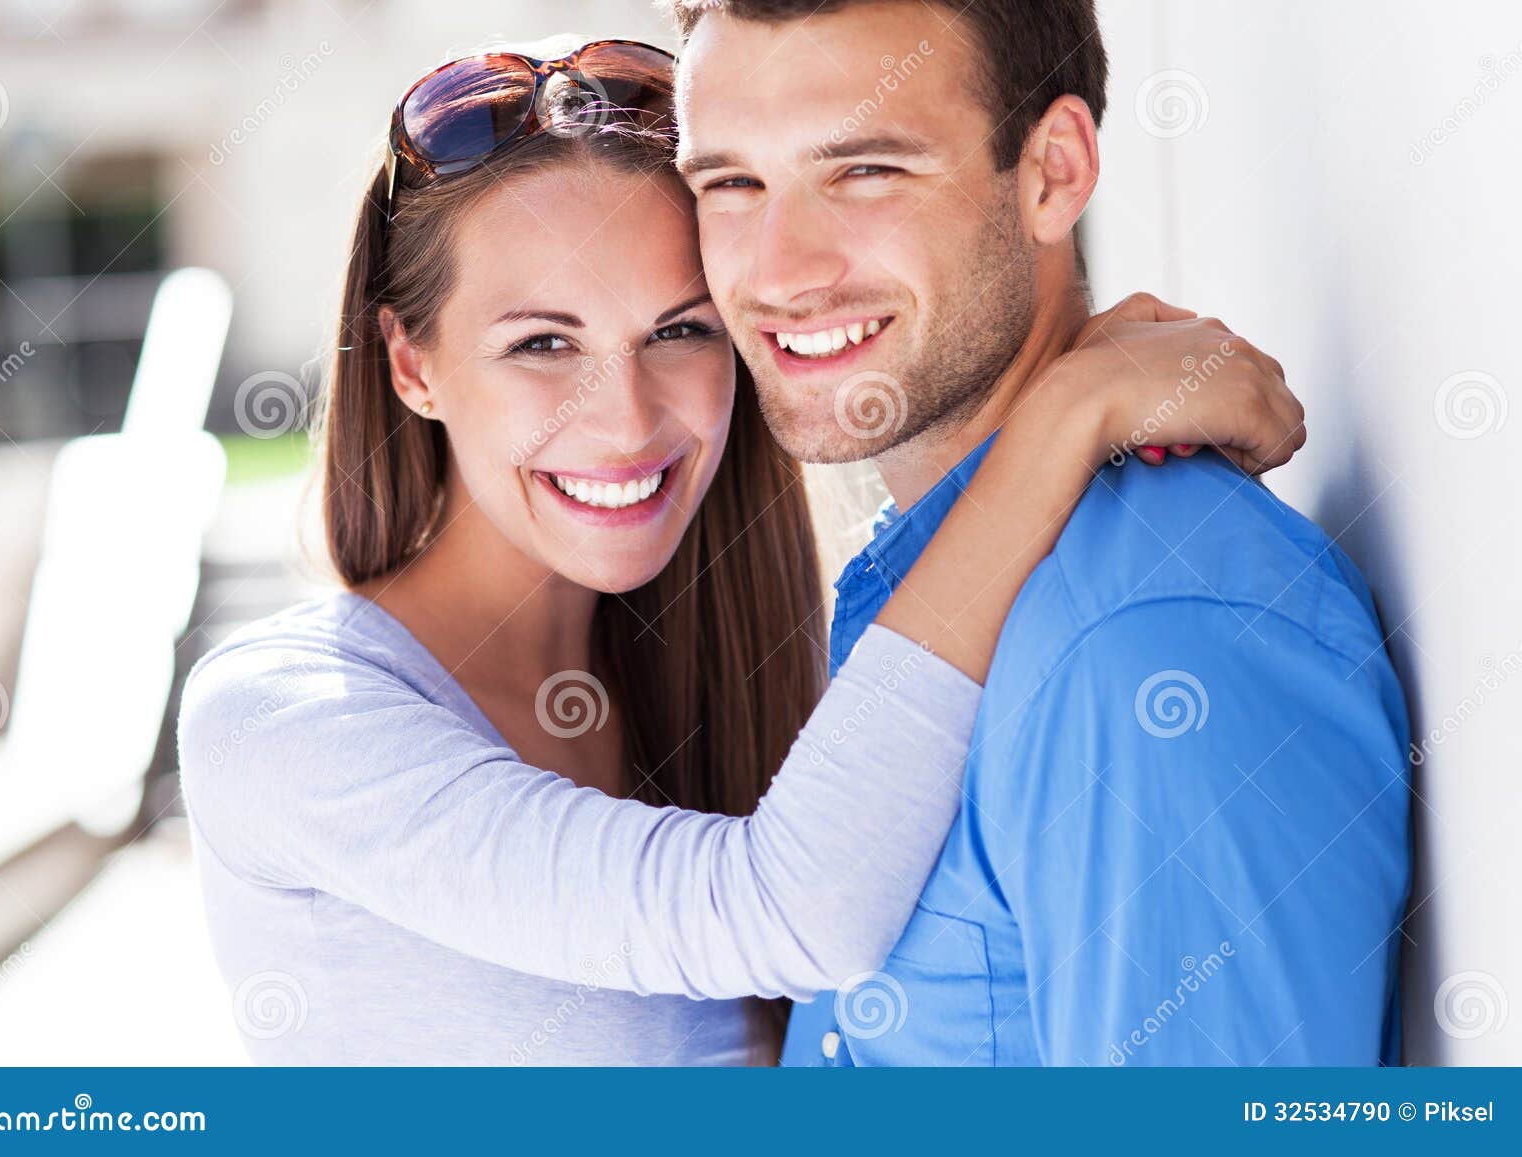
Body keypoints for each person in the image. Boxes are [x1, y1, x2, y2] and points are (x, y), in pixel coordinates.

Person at [177, 35, 1303, 1064]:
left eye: (678, 330)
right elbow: (794, 912)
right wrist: (1062, 419)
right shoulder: (285, 718)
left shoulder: (756, 688)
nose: (623, 419)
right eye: (540, 342)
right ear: (411, 363)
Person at [664, 0, 1412, 1066]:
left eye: (866, 171)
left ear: (1052, 171)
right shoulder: (945, 579)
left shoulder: (1141, 650)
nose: (779, 270)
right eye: (731, 184)